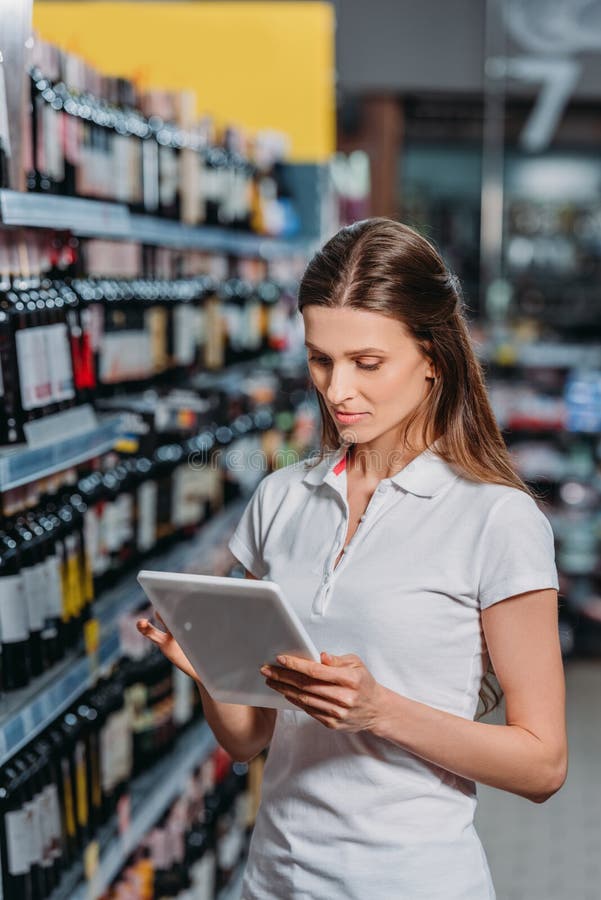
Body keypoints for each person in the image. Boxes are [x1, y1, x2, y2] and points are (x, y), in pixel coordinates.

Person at [137, 218, 568, 899]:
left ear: (432, 356)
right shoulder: (281, 499)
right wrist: (213, 669)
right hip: (273, 879)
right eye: (320, 359)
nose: (337, 389)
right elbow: (247, 741)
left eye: (366, 363)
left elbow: (542, 765)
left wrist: (378, 710)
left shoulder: (494, 518)